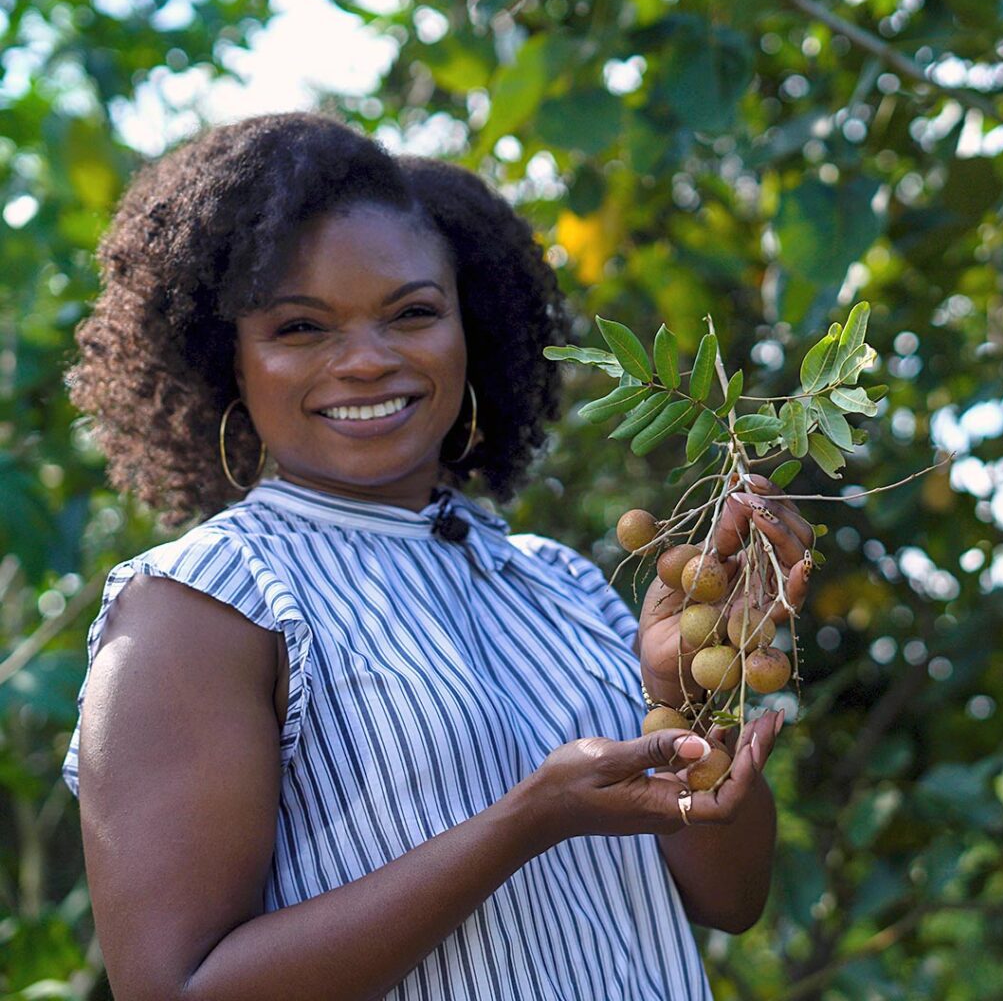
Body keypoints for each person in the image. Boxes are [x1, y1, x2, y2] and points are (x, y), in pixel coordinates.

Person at [61, 112, 813, 1000]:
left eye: (412, 313)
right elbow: (176, 990)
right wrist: (524, 823)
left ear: (473, 329)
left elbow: (729, 897)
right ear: (227, 361)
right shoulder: (202, 605)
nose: (367, 361)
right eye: (302, 328)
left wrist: (682, 694)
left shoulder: (559, 583)